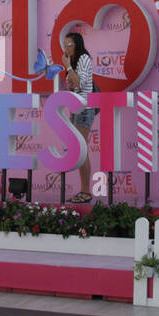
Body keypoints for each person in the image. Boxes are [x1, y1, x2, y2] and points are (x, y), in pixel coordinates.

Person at [63, 32, 96, 203]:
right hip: (75, 109)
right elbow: (73, 87)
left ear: (77, 45)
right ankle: (83, 191)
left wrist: (68, 67)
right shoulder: (74, 61)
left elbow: (81, 84)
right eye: (65, 45)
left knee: (81, 150)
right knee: (78, 150)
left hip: (84, 108)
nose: (66, 48)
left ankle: (85, 191)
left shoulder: (83, 58)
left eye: (70, 45)